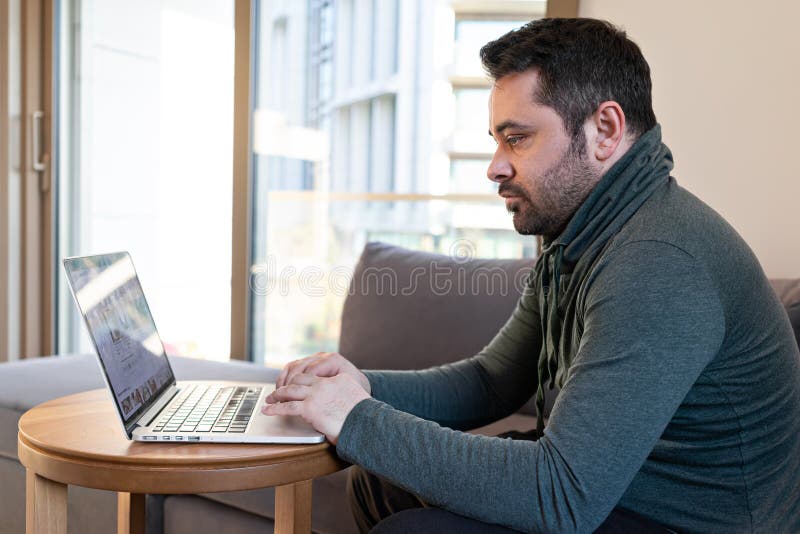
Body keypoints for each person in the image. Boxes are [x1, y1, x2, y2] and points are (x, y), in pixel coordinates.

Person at [262, 18, 800, 533]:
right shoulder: (578, 233)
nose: (495, 165)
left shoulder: (660, 260)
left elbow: (561, 493)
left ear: (604, 131)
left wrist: (358, 420)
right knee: (376, 483)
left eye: (516, 138)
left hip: (682, 521)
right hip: (618, 496)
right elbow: (490, 381)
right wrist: (363, 388)